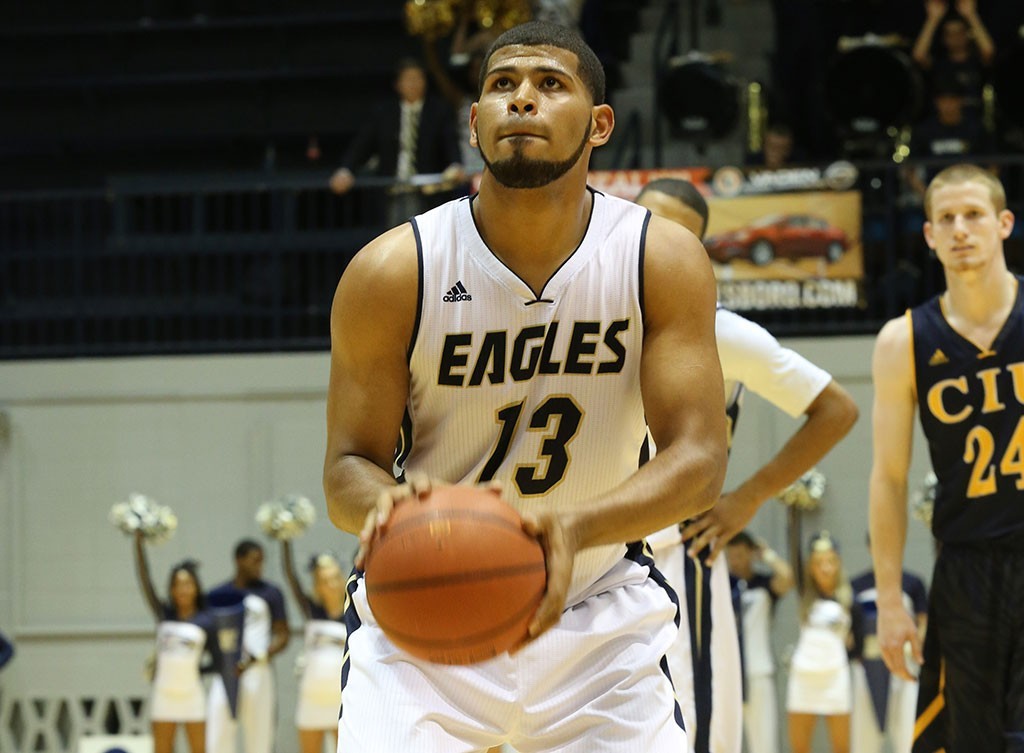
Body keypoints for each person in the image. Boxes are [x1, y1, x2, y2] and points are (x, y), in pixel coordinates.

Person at [322, 20, 729, 753]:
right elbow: (346, 467)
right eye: (501, 85)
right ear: (473, 120)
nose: (521, 101)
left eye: (550, 83)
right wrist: (388, 506)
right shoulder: (392, 272)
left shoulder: (659, 259)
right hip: (425, 623)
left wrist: (574, 528)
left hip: (600, 617)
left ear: (600, 123)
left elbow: (699, 459)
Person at [634, 177, 858, 753]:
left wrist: (749, 496)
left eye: (674, 233)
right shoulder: (580, 314)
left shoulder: (723, 335)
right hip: (592, 558)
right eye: (645, 223)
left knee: (697, 739)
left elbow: (836, 409)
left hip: (678, 559)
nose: (654, 242)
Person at [869, 163, 1022, 752]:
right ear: (929, 235)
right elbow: (887, 479)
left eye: (975, 215)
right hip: (965, 569)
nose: (961, 230)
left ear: (1004, 224)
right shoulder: (902, 340)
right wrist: (889, 602)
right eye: (947, 219)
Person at [328, 58, 465, 227]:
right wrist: (346, 170)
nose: (413, 84)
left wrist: (456, 165)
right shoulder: (384, 113)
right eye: (408, 79)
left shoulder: (438, 111)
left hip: (427, 192)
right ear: (398, 84)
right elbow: (362, 145)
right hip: (391, 190)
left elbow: (450, 142)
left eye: (418, 78)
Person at [132, 530, 215, 753]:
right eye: (178, 584)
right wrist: (138, 544)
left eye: (188, 584)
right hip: (163, 694)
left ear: (196, 587)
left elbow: (219, 658)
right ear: (171, 588)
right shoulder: (164, 614)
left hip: (192, 695)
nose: (183, 589)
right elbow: (145, 580)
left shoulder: (206, 620)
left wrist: (198, 670)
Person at [205, 540, 290, 753]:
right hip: (226, 671)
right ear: (239, 560)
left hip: (257, 671)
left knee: (259, 737)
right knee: (218, 735)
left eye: (261, 561)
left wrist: (259, 656)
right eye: (254, 561)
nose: (259, 566)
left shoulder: (270, 593)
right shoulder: (217, 595)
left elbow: (283, 635)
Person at [849, 541, 928, 753]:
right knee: (865, 735)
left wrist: (915, 649)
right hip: (867, 665)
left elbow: (923, 621)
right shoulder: (856, 585)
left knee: (906, 731)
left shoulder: (912, 583)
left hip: (904, 664)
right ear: (868, 547)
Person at [786, 532, 862, 753]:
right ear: (810, 567)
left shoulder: (850, 599)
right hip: (803, 676)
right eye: (819, 563)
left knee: (841, 747)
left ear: (838, 563)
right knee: (799, 747)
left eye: (830, 561)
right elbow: (793, 549)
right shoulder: (804, 594)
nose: (826, 568)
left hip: (835, 677)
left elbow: (858, 643)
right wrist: (794, 507)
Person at [724, 531, 795, 753]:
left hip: (759, 671)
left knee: (764, 741)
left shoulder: (764, 584)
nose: (736, 561)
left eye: (741, 555)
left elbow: (788, 578)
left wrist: (766, 554)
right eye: (731, 555)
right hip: (729, 674)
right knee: (724, 741)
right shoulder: (721, 585)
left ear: (750, 554)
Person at [280, 541, 346, 753]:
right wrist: (285, 537)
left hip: (342, 699)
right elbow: (291, 577)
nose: (332, 584)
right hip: (312, 696)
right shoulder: (311, 610)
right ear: (317, 584)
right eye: (325, 580)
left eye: (335, 578)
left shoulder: (352, 611)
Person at [911, 0, 994, 114]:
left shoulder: (977, 62)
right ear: (943, 39)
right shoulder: (939, 63)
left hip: (975, 121)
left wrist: (971, 15)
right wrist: (932, 20)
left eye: (959, 32)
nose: (955, 37)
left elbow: (989, 52)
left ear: (967, 35)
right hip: (940, 124)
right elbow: (919, 56)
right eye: (949, 33)